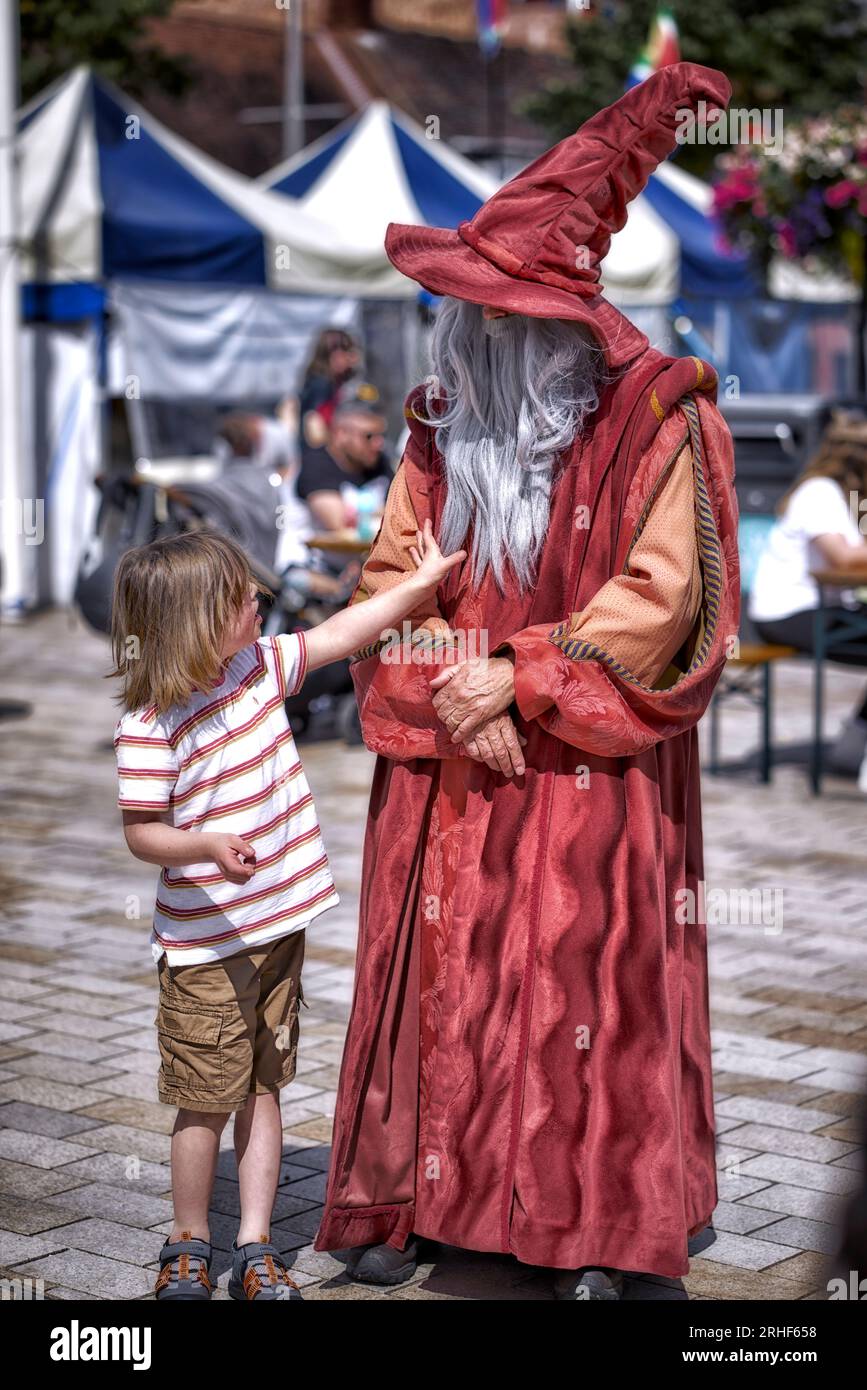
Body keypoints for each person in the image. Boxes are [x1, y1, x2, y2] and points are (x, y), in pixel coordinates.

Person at [313, 63, 741, 1300]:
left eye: (503, 311)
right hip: (455, 775)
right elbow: (393, 584)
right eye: (467, 308)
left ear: (564, 317)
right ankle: (445, 1199)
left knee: (574, 985)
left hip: (588, 776)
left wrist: (525, 676)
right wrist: (461, 686)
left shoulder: (665, 416)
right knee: (458, 987)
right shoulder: (442, 431)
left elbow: (669, 604)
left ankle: (585, 1217)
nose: (480, 333)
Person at [110, 523, 465, 1300]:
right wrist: (202, 843)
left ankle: (256, 1245)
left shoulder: (260, 668)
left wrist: (421, 585)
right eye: (241, 596)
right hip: (205, 947)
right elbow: (142, 835)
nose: (258, 599)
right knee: (204, 1100)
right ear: (195, 621)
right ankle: (188, 1240)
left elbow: (345, 630)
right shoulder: (149, 725)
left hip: (277, 933)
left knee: (264, 1089)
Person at [749, 412, 867, 782]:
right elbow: (843, 557)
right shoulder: (819, 492)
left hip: (823, 606)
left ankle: (855, 745)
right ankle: (858, 752)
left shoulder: (843, 495)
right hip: (787, 613)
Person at [295, 389, 394, 534]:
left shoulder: (380, 463)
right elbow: (337, 523)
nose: (378, 444)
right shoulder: (316, 462)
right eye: (368, 436)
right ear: (341, 434)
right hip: (315, 556)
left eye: (382, 435)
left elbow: (403, 515)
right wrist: (385, 514)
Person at [298, 326, 361, 449]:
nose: (352, 357)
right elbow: (317, 428)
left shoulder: (332, 383)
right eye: (346, 351)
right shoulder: (321, 385)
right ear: (331, 355)